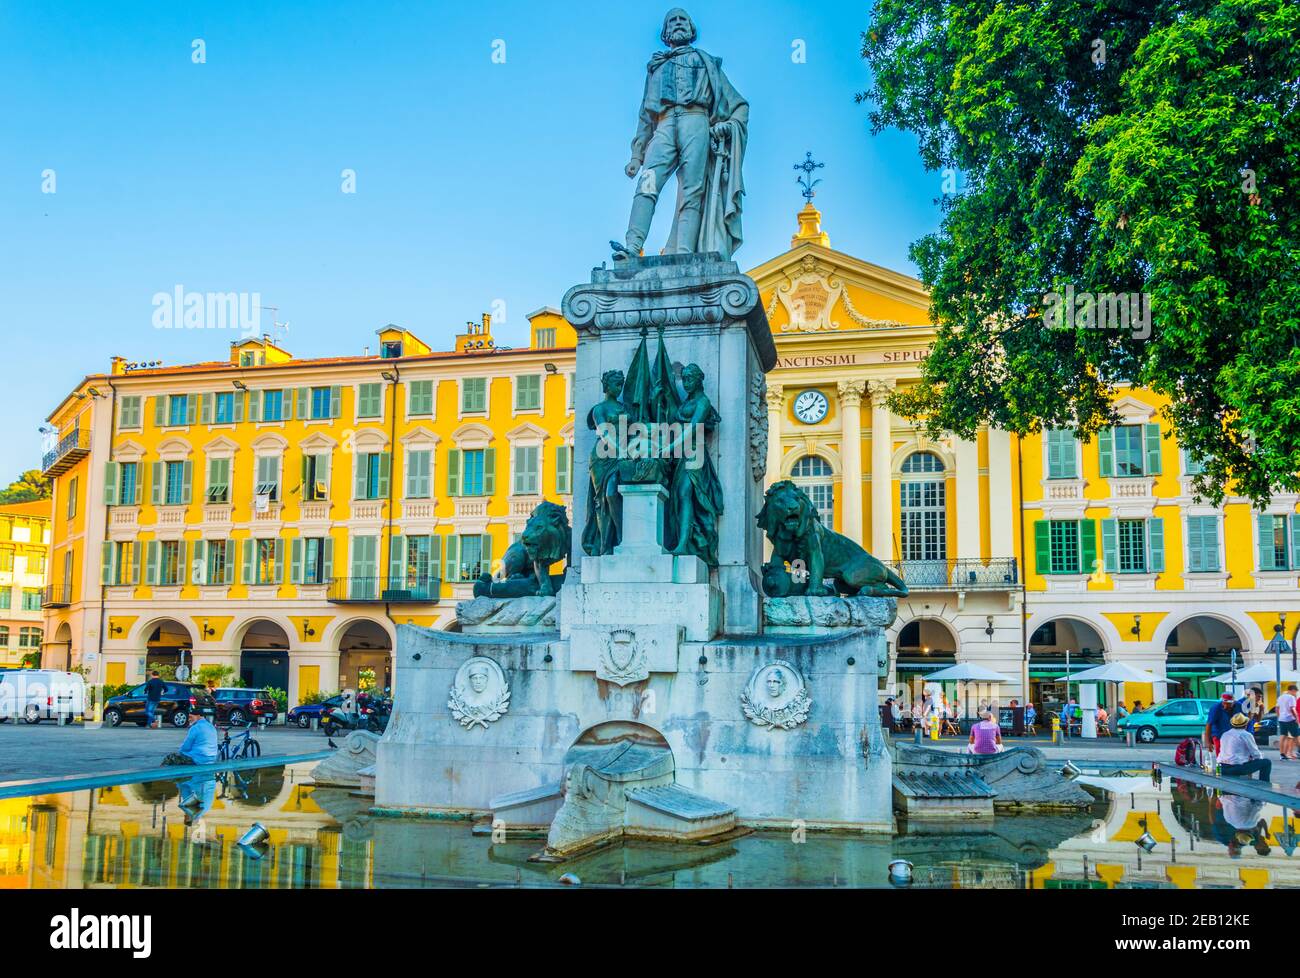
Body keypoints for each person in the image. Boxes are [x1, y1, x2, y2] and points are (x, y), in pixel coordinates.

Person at [1218, 712, 1272, 781]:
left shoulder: (1225, 734)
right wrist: (1256, 759)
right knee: (1266, 762)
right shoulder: (1246, 735)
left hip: (1222, 767)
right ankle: (1264, 786)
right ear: (1245, 725)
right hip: (1235, 768)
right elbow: (1256, 754)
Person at [1204, 692, 1239, 757]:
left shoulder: (1239, 706)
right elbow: (1209, 724)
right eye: (1224, 704)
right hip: (1219, 735)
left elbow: (1245, 720)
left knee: (1233, 755)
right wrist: (1208, 742)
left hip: (1234, 735)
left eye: (1228, 704)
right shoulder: (1215, 708)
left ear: (1233, 702)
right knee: (1221, 756)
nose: (1225, 707)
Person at [1277, 684, 1299, 760]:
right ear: (1293, 690)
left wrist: (1279, 716)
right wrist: (1296, 718)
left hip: (1281, 719)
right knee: (1296, 736)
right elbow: (1292, 709)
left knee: (1283, 736)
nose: (1295, 693)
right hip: (1290, 719)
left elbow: (1277, 708)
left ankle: (1282, 754)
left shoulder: (1280, 697)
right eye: (1295, 692)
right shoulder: (1291, 697)